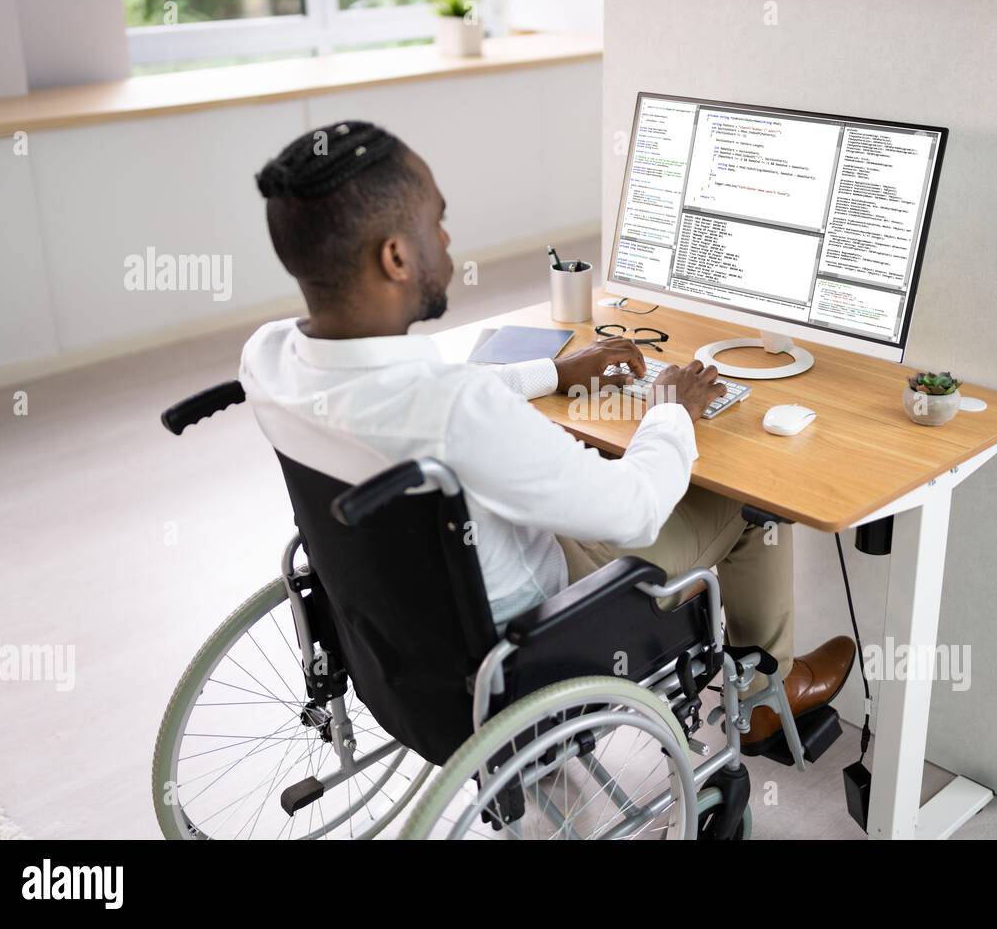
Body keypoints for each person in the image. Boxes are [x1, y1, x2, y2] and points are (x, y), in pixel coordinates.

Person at [239, 120, 854, 750]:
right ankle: (761, 703)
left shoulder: (267, 357)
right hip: (543, 631)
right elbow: (635, 512)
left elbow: (427, 396)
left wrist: (555, 372)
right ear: (396, 256)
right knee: (744, 499)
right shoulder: (457, 410)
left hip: (405, 629)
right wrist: (670, 409)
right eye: (437, 222)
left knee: (590, 456)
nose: (448, 241)